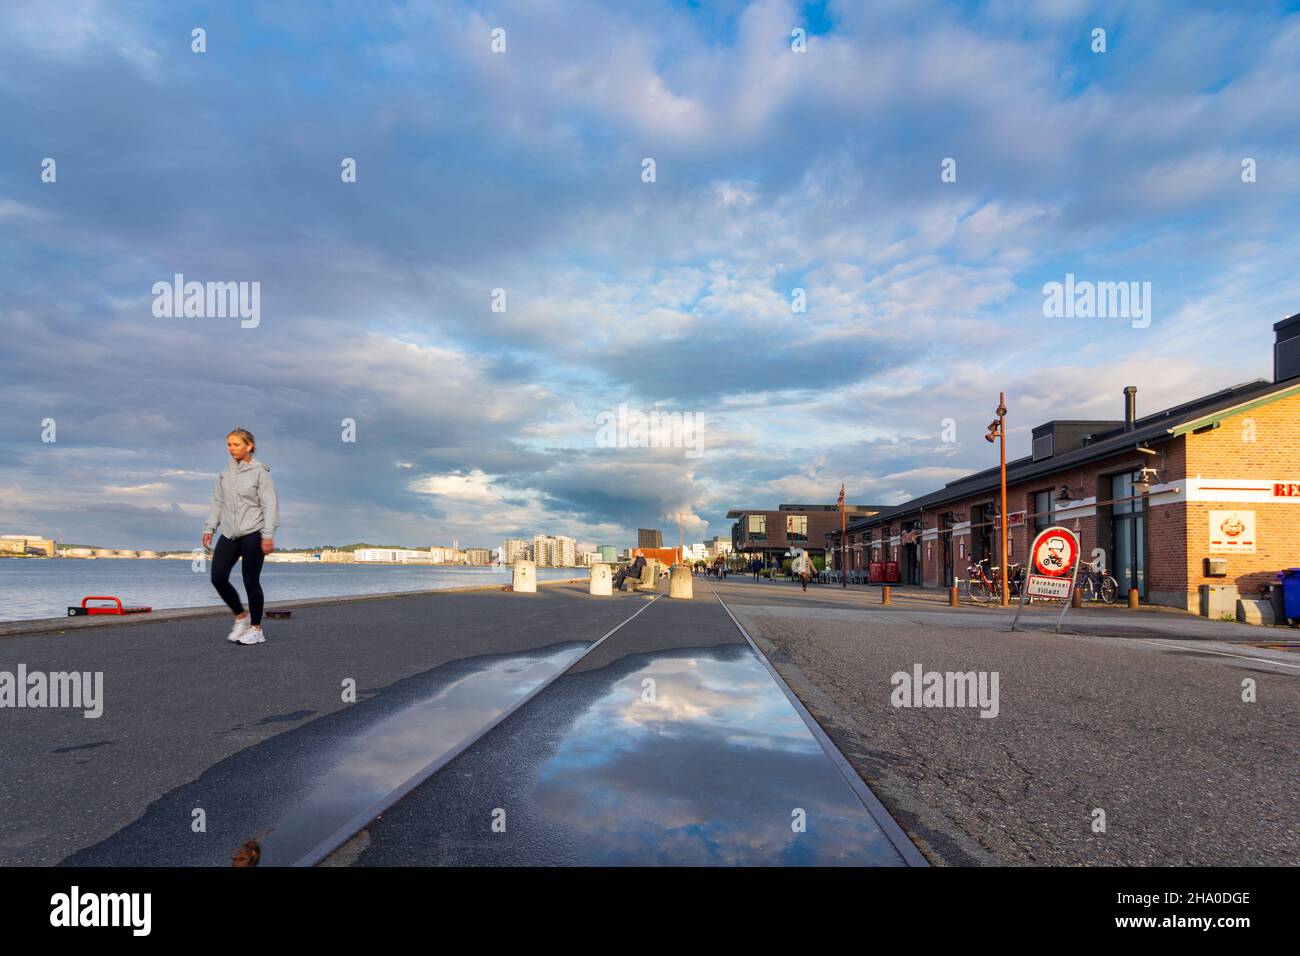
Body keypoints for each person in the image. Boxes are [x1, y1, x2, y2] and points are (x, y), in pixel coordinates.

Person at [203, 428, 278, 645]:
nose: (231, 449)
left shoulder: (260, 473)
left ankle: (256, 629)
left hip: (253, 532)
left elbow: (269, 505)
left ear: (249, 446)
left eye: (235, 444)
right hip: (229, 532)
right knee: (217, 577)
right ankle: (241, 617)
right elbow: (218, 502)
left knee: (250, 581)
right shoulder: (224, 474)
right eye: (228, 444)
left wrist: (268, 534)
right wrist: (210, 528)